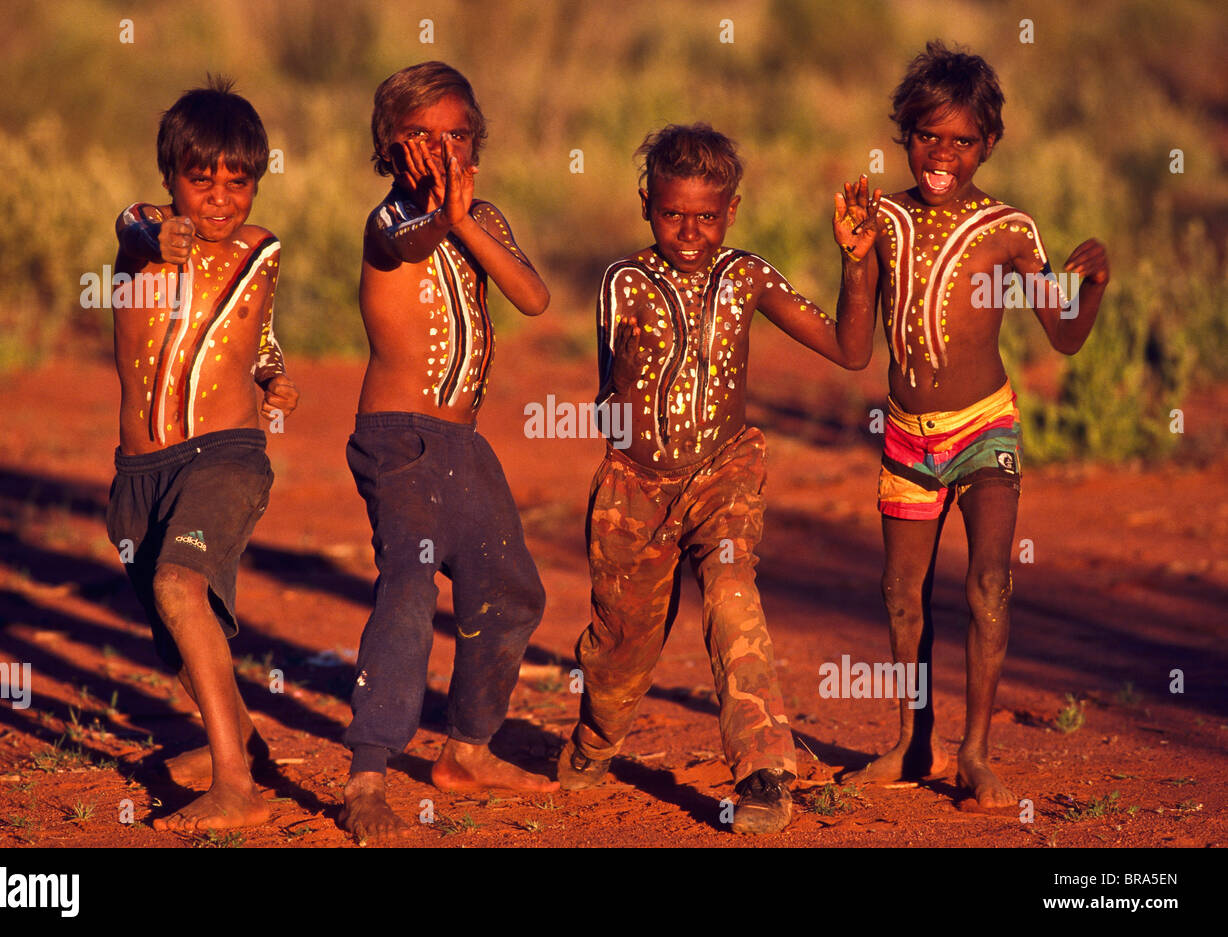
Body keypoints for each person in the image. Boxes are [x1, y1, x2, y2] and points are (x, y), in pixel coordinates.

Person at [558, 123, 876, 833]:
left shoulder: (748, 277)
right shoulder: (625, 282)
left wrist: (857, 264)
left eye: (707, 216)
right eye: (673, 213)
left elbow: (852, 351)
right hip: (636, 487)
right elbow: (608, 399)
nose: (690, 231)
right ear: (647, 203)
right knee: (621, 647)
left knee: (733, 594)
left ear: (732, 209)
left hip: (724, 469)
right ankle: (594, 741)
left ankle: (765, 771)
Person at [841, 41, 1109, 809]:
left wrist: (1091, 288)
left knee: (990, 582)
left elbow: (1061, 333)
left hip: (984, 429)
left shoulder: (1009, 230)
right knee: (902, 592)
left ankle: (976, 752)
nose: (943, 155)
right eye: (928, 136)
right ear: (904, 132)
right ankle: (908, 739)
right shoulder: (882, 219)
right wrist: (854, 259)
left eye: (962, 141)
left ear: (988, 144)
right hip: (904, 435)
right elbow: (857, 345)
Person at [340, 62, 556, 841]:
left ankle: (466, 749)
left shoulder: (483, 220)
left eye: (457, 135)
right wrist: (446, 213)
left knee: (513, 588)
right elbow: (416, 238)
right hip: (398, 439)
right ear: (392, 148)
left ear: (477, 142)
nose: (441, 150)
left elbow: (533, 297)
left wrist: (469, 219)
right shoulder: (389, 219)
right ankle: (367, 777)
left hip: (464, 443)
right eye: (422, 138)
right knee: (410, 577)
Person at [107, 76, 299, 830]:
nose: (219, 197)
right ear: (170, 178)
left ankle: (235, 786)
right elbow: (129, 223)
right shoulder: (140, 240)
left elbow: (255, 332)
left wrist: (274, 373)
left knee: (182, 586)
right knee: (174, 634)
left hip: (225, 453)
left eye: (238, 181)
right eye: (200, 178)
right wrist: (154, 234)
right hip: (139, 475)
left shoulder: (262, 249)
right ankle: (241, 738)